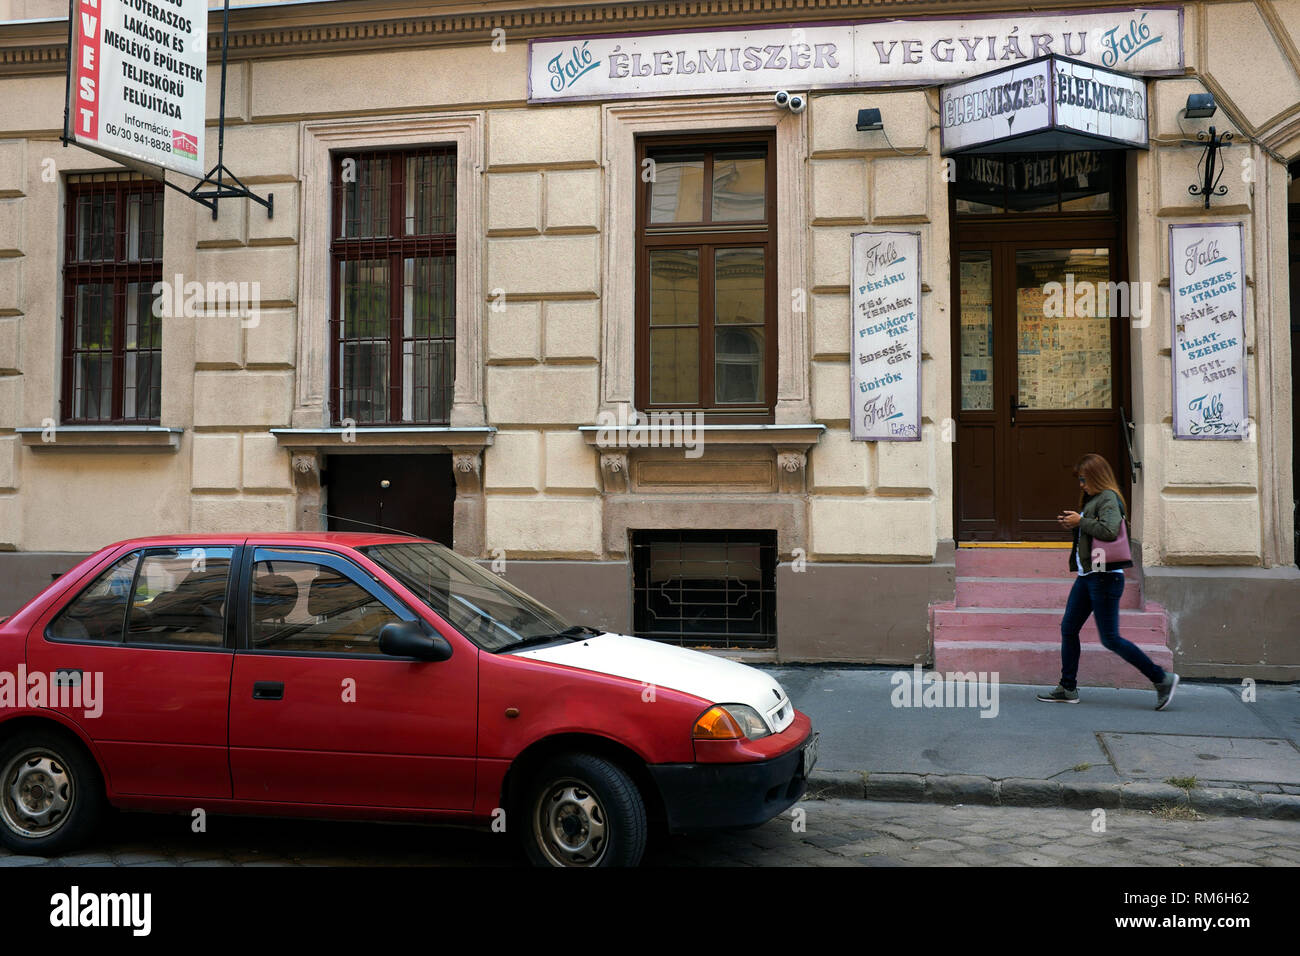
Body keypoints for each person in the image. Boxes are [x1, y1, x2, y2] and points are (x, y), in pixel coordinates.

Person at [1037, 453, 1179, 710]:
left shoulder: (1108, 498)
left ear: (1095, 476)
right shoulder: (1094, 498)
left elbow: (1110, 530)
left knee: (1110, 638)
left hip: (1104, 577)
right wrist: (1076, 524)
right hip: (1088, 576)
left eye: (1083, 479)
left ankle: (1162, 679)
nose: (1080, 484)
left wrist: (1081, 521)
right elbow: (1095, 530)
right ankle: (1068, 687)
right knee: (1069, 628)